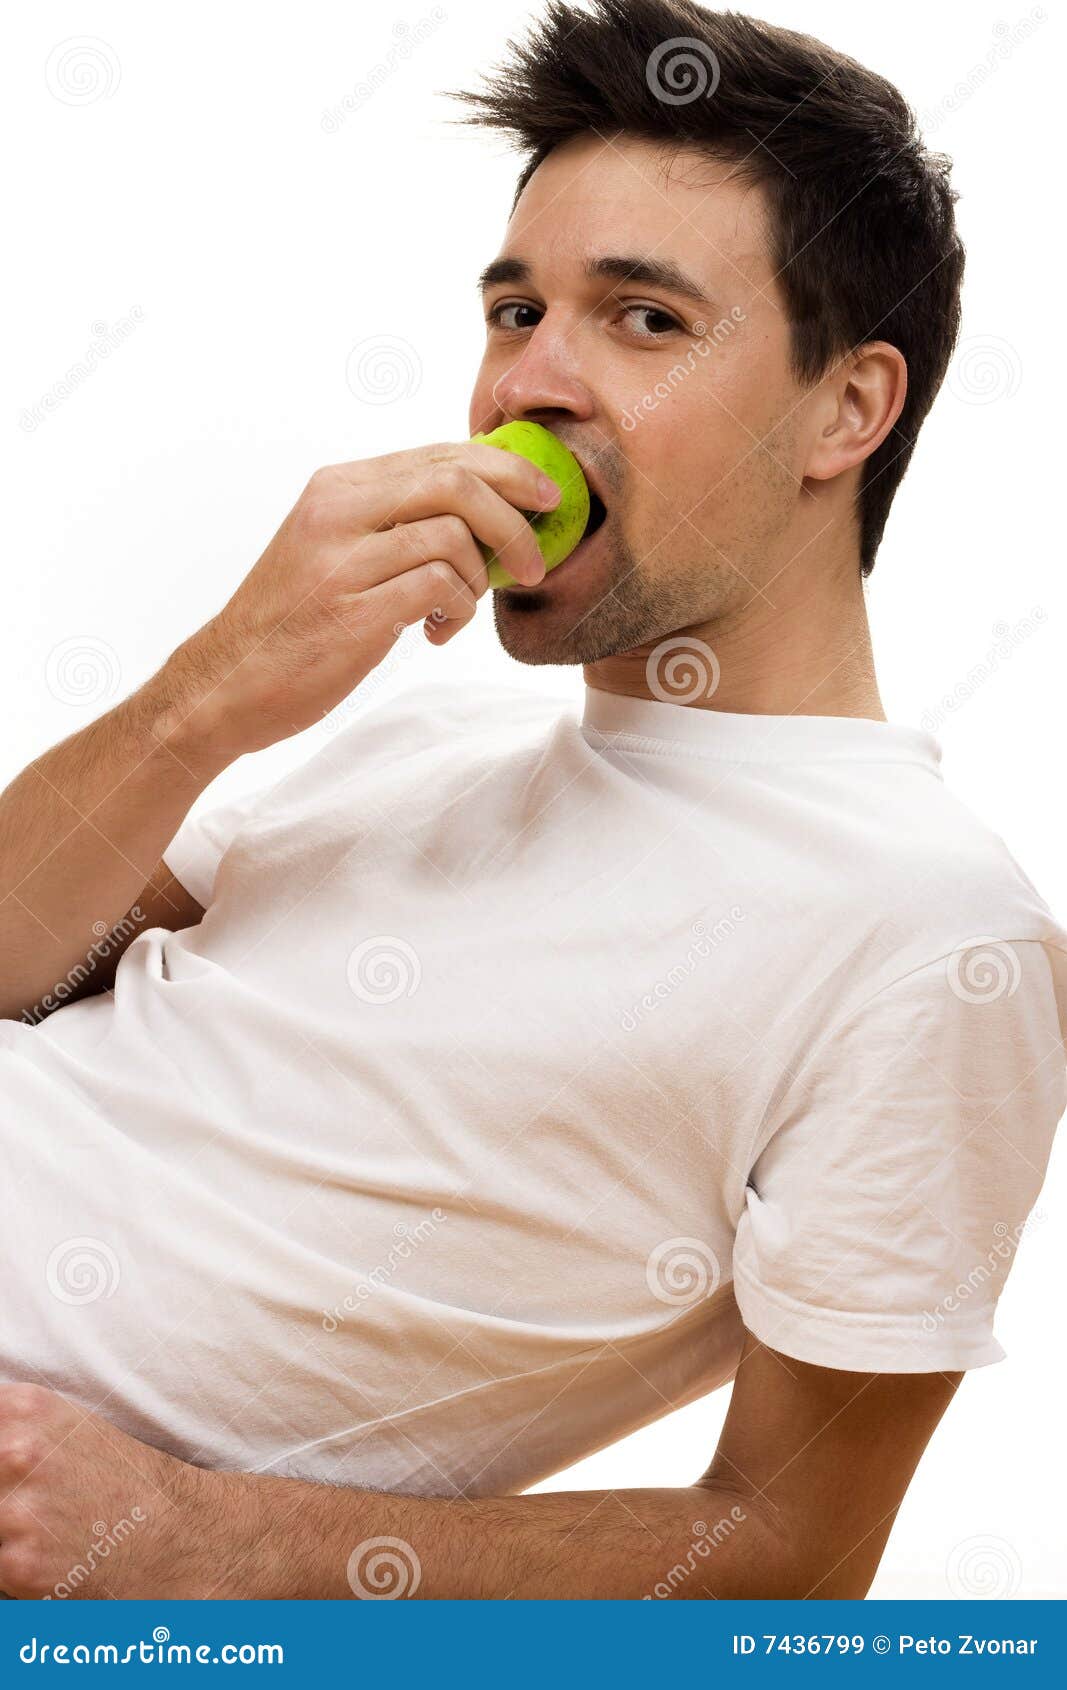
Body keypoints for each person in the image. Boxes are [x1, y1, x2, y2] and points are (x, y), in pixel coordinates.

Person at [0, 0, 1063, 1600]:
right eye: (515, 312)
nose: (528, 382)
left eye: (643, 318)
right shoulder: (417, 736)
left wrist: (197, 1535)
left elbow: (792, 1552)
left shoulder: (928, 934)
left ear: (846, 410)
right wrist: (205, 697)